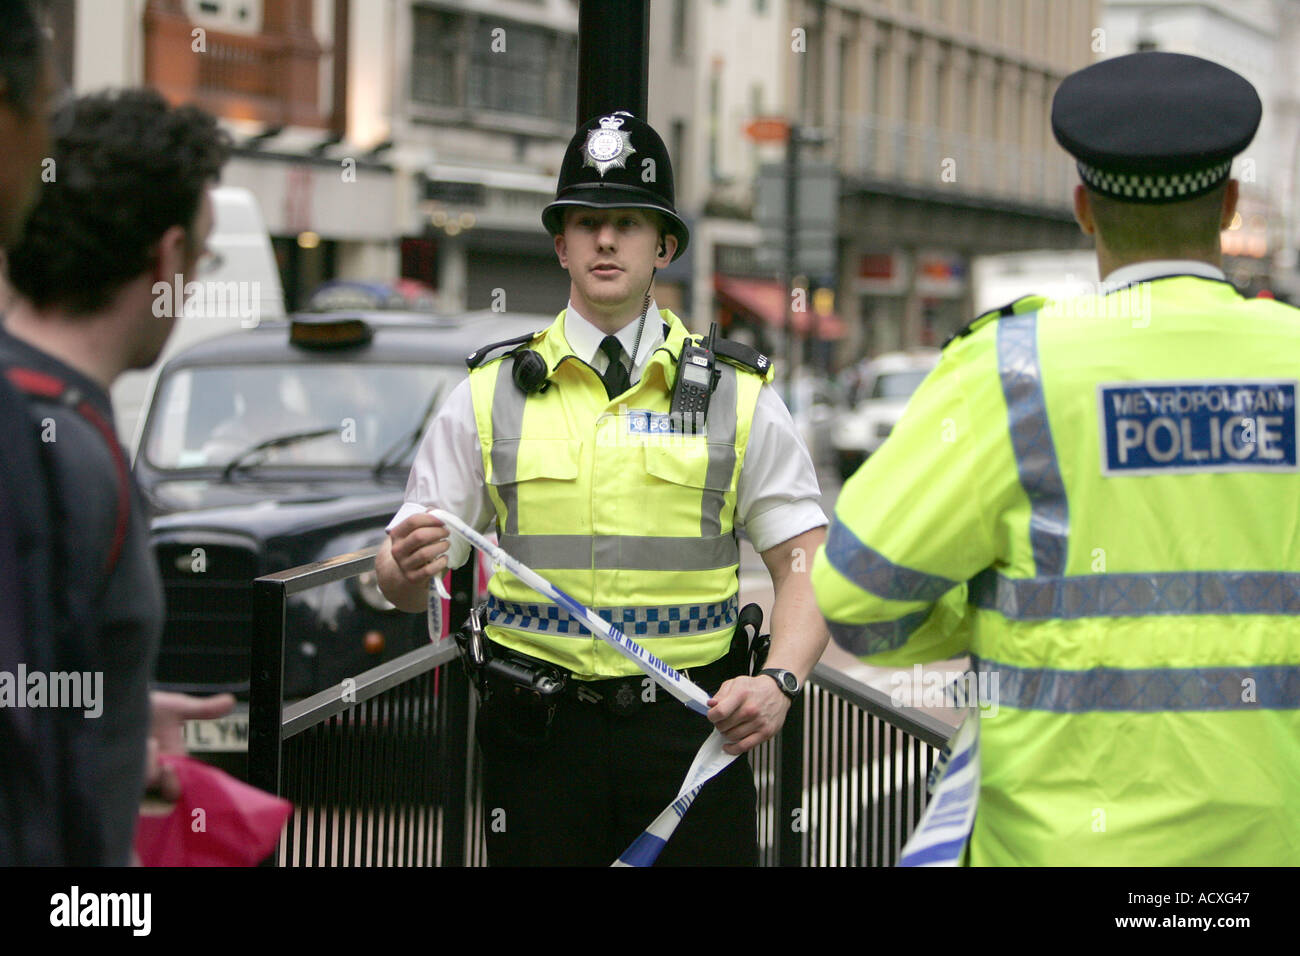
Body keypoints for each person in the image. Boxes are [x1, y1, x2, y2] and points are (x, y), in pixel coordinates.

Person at [812, 51, 1300, 865]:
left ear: (1083, 209)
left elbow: (857, 595)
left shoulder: (1011, 369)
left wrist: (992, 609)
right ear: (1229, 205)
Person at [378, 110, 829, 866]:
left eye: (628, 223)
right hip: (538, 744)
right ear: (562, 245)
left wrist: (779, 680)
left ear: (665, 246)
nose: (607, 241)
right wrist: (401, 565)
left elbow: (805, 563)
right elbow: (401, 580)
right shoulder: (490, 392)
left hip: (693, 734)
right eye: (587, 223)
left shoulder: (733, 393)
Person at [0, 87, 236, 865]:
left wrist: (114, 716)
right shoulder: (56, 450)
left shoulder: (41, 418)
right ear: (166, 257)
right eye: (201, 259)